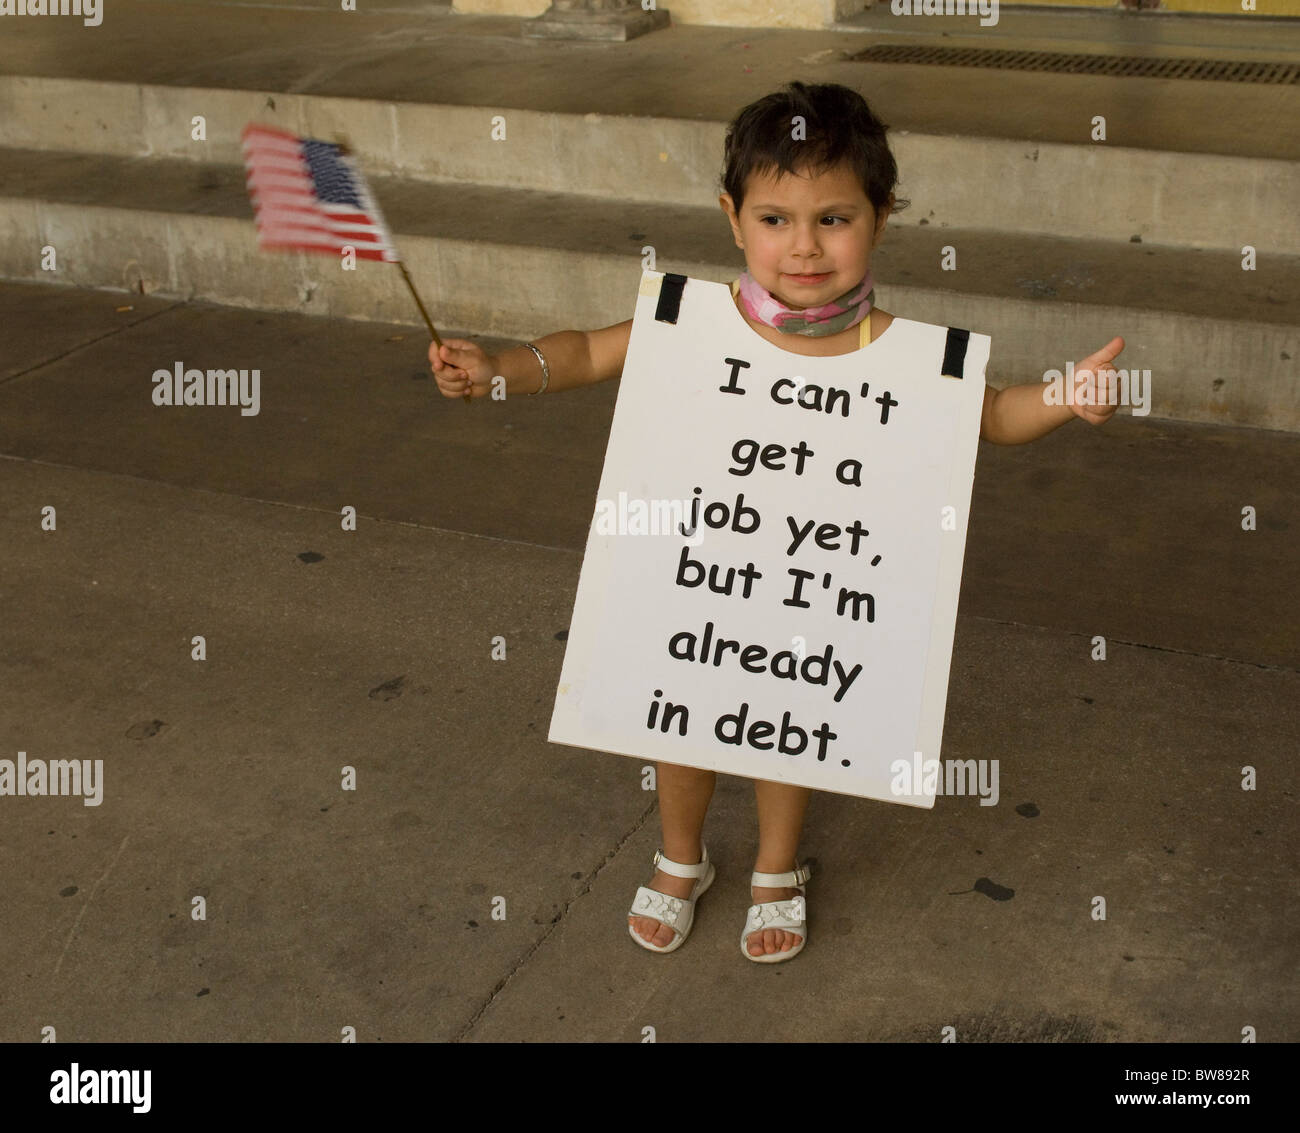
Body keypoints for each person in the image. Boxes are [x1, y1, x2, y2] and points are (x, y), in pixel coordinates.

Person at [429, 81, 1125, 964]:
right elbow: (589, 352)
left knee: (792, 716)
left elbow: (991, 417)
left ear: (881, 217)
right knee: (675, 717)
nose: (803, 246)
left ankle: (775, 866)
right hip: (697, 577)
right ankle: (680, 856)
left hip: (809, 592)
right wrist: (501, 368)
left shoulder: (901, 354)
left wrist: (1068, 396)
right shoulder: (692, 324)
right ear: (732, 218)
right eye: (774, 219)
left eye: (834, 219)